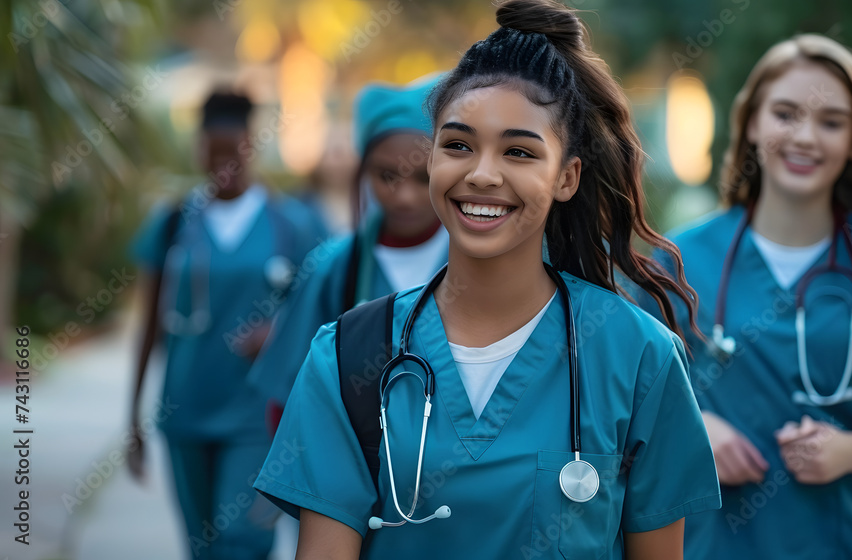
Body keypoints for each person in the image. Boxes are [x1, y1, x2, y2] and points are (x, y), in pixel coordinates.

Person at [252, 1, 721, 558]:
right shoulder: (347, 357)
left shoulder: (638, 357)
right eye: (457, 145)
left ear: (567, 177)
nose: (481, 174)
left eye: (519, 151)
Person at [638, 35, 852, 559]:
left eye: (831, 122)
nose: (805, 137)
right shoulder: (676, 265)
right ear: (752, 123)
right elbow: (623, 407)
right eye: (785, 114)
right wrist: (695, 429)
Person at [127, 91, 323, 559]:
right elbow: (149, 324)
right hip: (185, 412)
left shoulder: (292, 225)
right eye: (212, 153)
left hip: (257, 417)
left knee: (242, 540)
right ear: (199, 149)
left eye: (233, 152)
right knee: (203, 546)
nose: (223, 165)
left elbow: (327, 308)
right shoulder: (175, 223)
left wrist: (281, 332)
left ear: (251, 147)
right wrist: (132, 416)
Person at [246, 76, 448, 423]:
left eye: (424, 178)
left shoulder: (484, 262)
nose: (404, 196)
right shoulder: (332, 268)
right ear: (363, 173)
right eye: (387, 176)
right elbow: (287, 399)